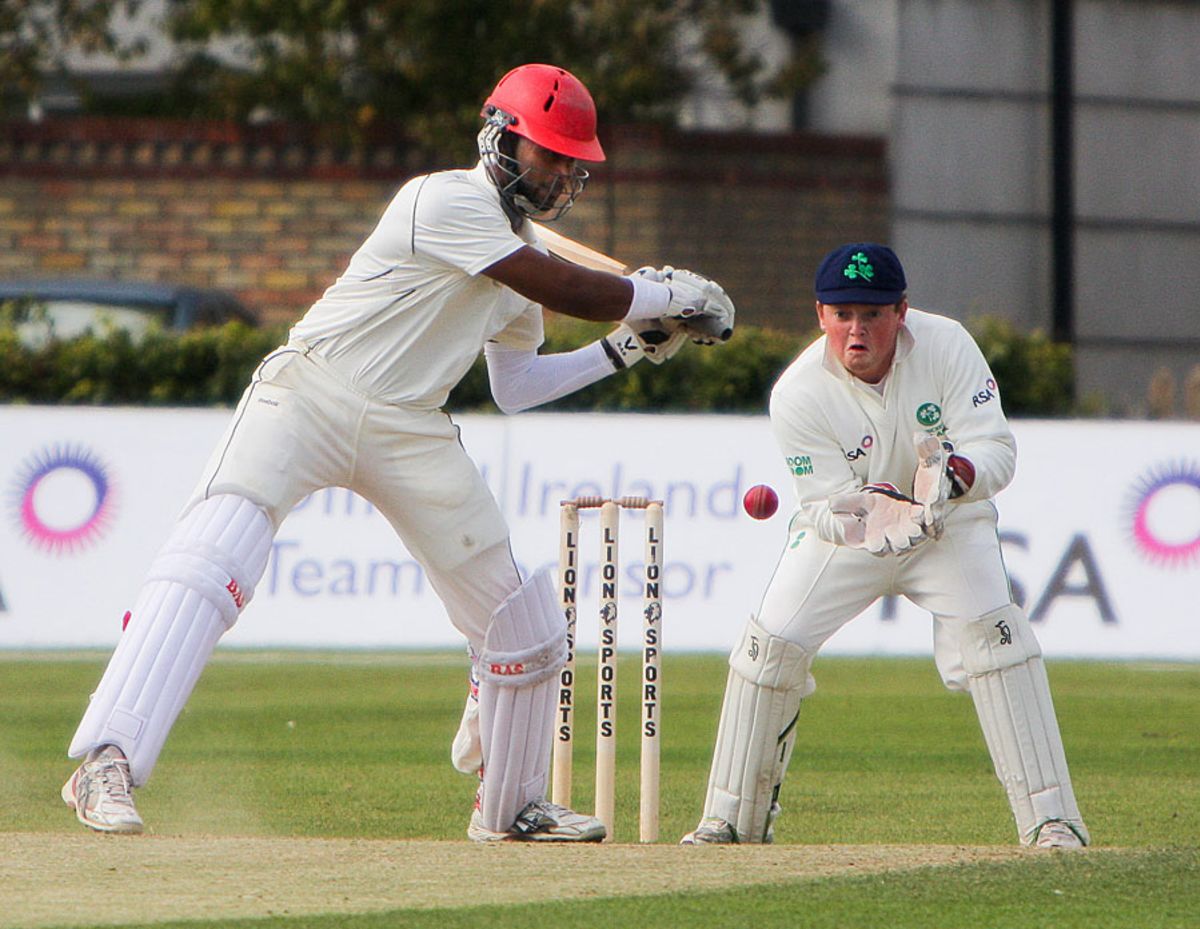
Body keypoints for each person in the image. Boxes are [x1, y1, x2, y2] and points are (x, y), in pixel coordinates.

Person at [61, 63, 735, 843]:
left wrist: (621, 350)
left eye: (571, 162)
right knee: (214, 557)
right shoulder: (443, 199)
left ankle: (509, 807)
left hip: (410, 424)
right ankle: (106, 759)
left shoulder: (523, 258)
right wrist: (660, 296)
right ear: (502, 138)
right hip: (310, 391)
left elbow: (515, 384)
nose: (562, 174)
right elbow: (562, 285)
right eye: (551, 155)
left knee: (521, 622)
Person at [680, 243, 1088, 849]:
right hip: (853, 538)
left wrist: (954, 477)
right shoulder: (797, 394)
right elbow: (818, 509)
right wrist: (861, 516)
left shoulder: (947, 346)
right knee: (767, 649)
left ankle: (1052, 820)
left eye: (871, 313)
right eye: (843, 314)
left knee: (998, 643)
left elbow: (998, 450)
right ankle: (731, 820)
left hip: (949, 525)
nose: (856, 329)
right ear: (821, 315)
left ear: (901, 310)